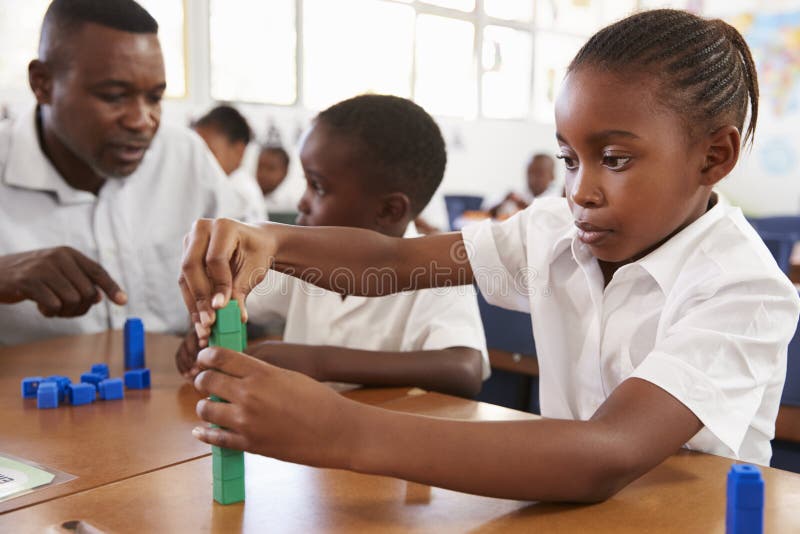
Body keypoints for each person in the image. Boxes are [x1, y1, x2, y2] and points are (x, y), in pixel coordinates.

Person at [179, 10, 800, 502]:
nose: (579, 190)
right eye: (568, 159)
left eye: (614, 159)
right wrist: (273, 240)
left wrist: (341, 430)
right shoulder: (554, 230)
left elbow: (605, 453)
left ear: (714, 157)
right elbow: (390, 266)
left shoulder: (742, 289)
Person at [176, 95, 489, 397]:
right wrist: (207, 331)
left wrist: (318, 361)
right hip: (293, 436)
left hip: (383, 443)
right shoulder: (301, 261)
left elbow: (464, 369)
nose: (302, 201)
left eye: (318, 187)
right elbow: (242, 300)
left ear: (388, 211)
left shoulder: (436, 273)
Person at [0, 0, 243, 346]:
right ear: (42, 84)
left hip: (177, 391)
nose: (142, 120)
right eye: (114, 96)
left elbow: (257, 271)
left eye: (155, 97)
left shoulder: (183, 155)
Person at [193, 105, 266, 222]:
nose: (198, 162)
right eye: (195, 153)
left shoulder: (239, 193)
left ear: (238, 151)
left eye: (209, 154)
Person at [486, 153, 558, 218]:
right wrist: (503, 201)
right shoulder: (516, 194)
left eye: (539, 173)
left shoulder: (559, 198)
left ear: (552, 176)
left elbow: (548, 221)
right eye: (530, 173)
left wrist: (526, 208)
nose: (533, 178)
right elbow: (485, 214)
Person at [255, 144, 295, 214]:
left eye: (270, 168)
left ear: (285, 172)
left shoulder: (289, 207)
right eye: (260, 166)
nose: (263, 174)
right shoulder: (246, 198)